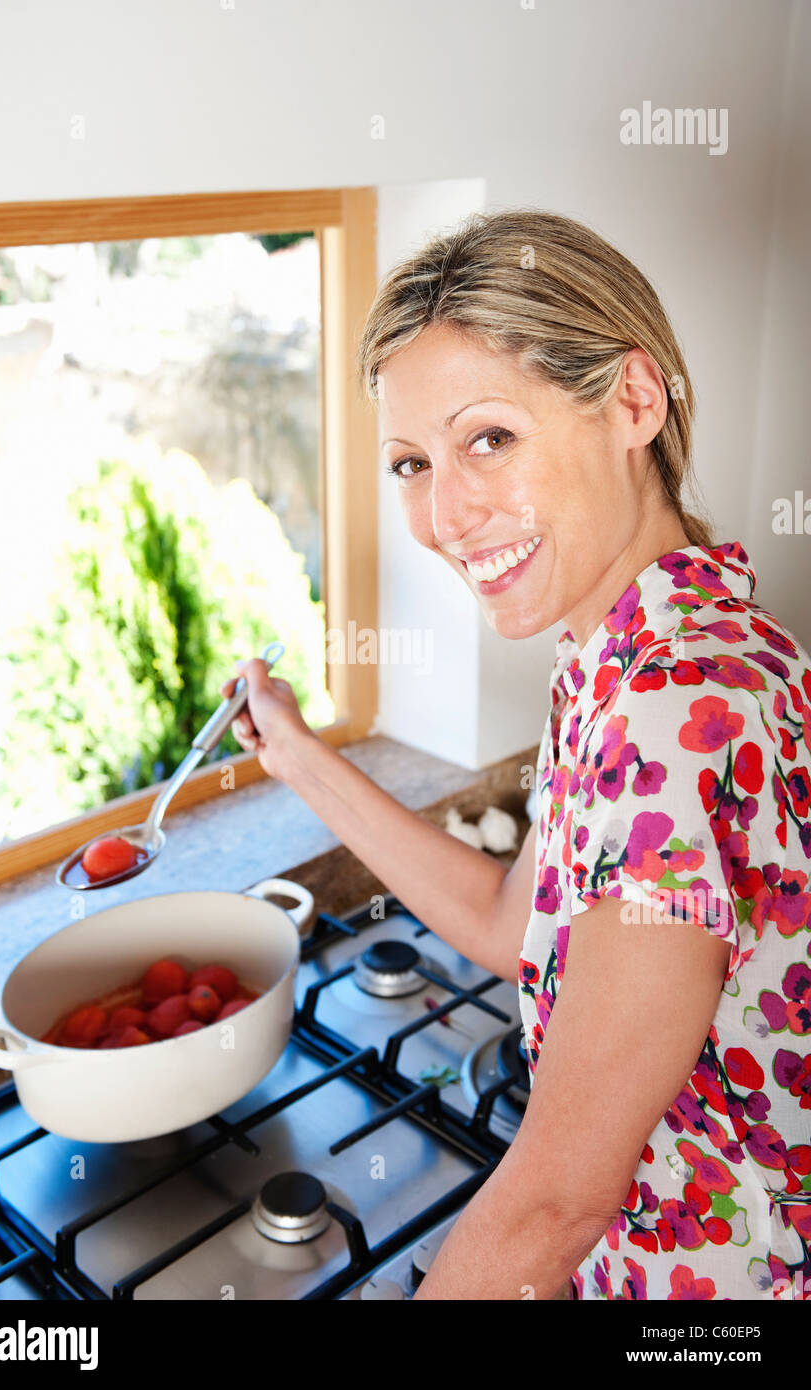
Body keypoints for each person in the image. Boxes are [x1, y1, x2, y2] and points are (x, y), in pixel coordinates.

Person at [222, 210, 811, 1301]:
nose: (446, 513)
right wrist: (297, 752)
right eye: (412, 462)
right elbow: (511, 922)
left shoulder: (680, 704)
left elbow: (558, 1200)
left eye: (489, 438)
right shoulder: (625, 653)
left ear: (634, 401)